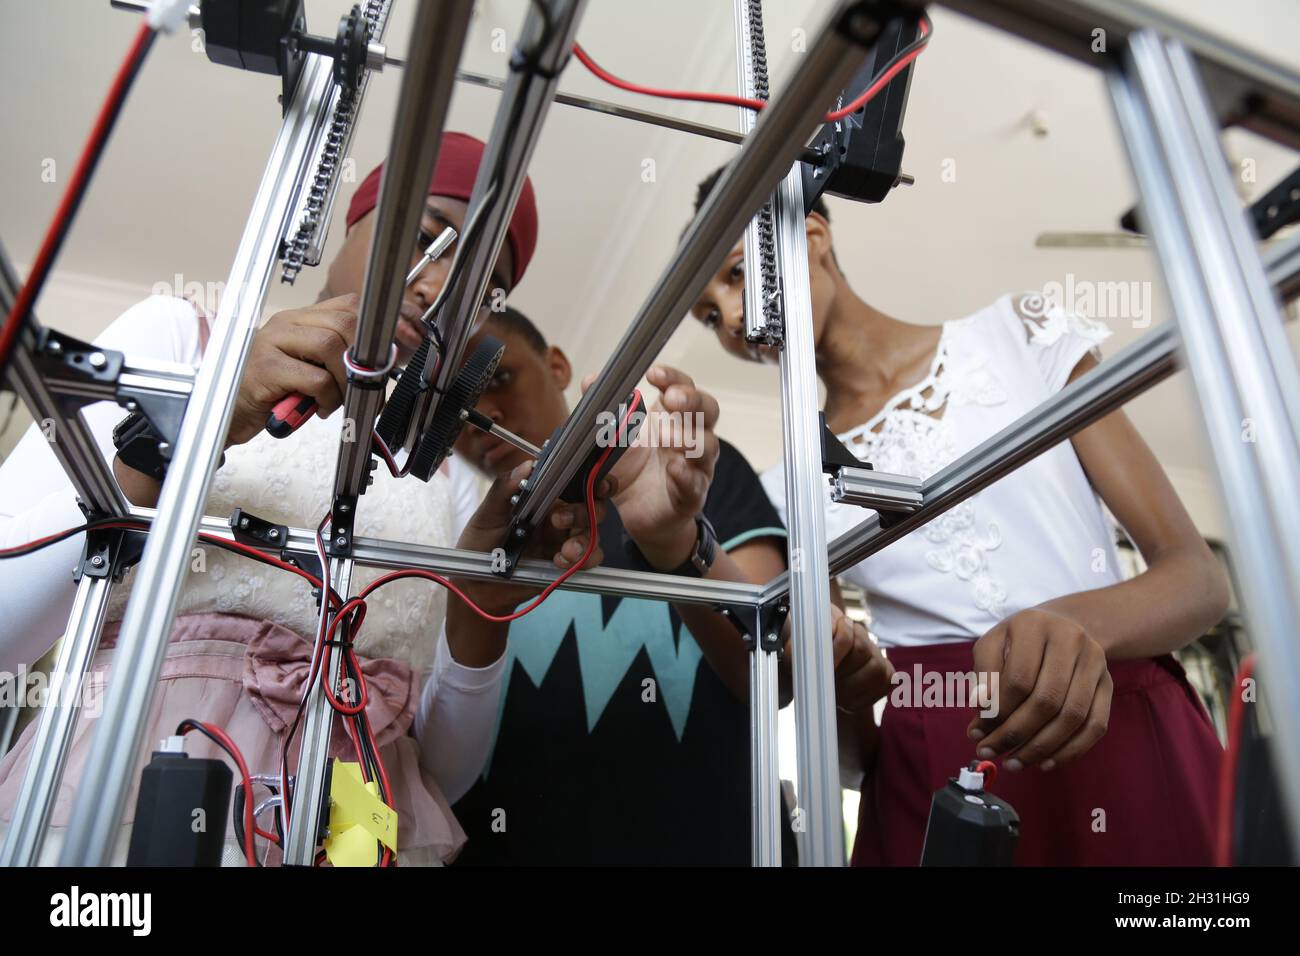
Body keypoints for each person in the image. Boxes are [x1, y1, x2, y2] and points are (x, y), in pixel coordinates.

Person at [0, 133, 598, 866]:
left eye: (479, 286)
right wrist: (202, 421)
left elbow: (441, 774)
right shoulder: (183, 341)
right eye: (425, 239)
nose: (438, 286)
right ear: (354, 222)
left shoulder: (455, 484)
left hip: (360, 832)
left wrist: (483, 602)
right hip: (131, 799)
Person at [686, 168, 1230, 866]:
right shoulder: (786, 488)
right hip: (940, 763)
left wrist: (1075, 627)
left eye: (736, 276)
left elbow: (1197, 580)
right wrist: (847, 688)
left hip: (1114, 720)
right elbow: (851, 755)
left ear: (813, 236)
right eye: (709, 315)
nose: (732, 319)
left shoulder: (1021, 337)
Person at [442, 306, 891, 864]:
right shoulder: (450, 535)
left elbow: (771, 673)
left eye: (499, 378)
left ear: (556, 365)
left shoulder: (686, 472)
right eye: (453, 410)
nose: (479, 416)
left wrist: (673, 540)